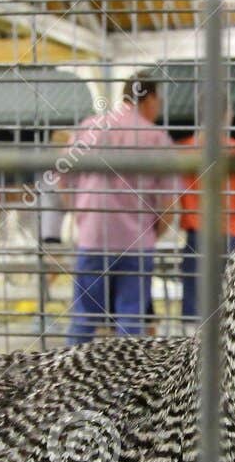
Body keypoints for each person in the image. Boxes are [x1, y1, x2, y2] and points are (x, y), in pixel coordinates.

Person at [59, 75, 174, 344]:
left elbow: (62, 178)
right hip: (137, 243)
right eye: (159, 100)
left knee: (84, 318)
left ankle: (68, 380)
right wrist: (153, 234)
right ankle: (126, 384)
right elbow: (169, 203)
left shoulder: (90, 128)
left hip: (93, 239)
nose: (160, 107)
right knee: (131, 321)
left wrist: (81, 216)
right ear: (149, 98)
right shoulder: (156, 137)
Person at [175, 123, 235, 323]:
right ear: (227, 115)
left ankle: (193, 349)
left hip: (199, 232)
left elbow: (173, 195)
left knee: (195, 306)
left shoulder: (185, 150)